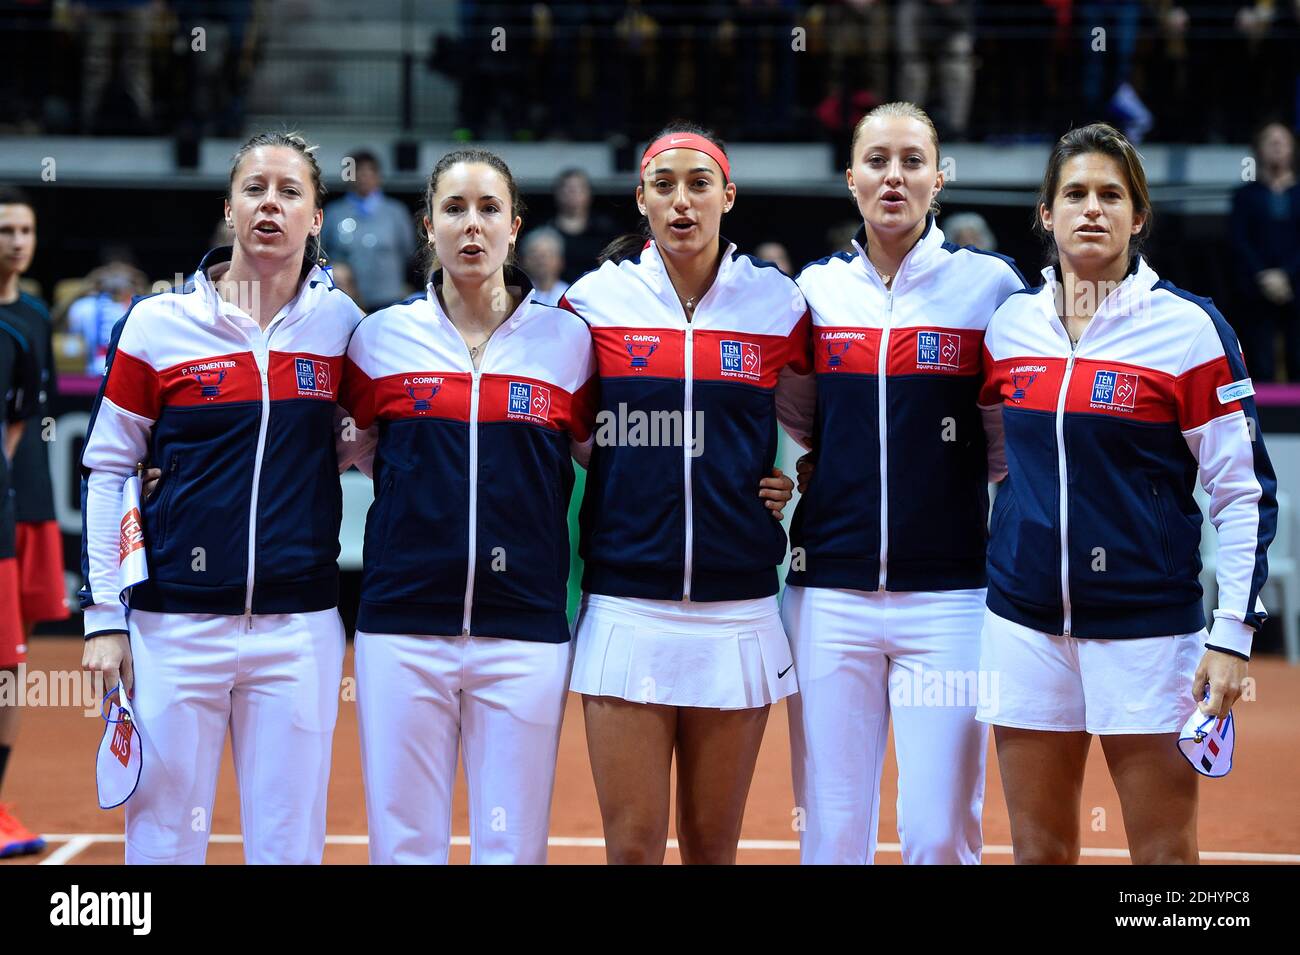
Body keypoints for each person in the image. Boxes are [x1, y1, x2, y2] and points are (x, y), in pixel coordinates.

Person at [978, 122, 1277, 864]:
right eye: (1073, 193)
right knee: (1038, 851)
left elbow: (1242, 493)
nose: (1092, 209)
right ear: (1045, 213)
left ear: (1138, 216)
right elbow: (989, 451)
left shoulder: (1189, 330)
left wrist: (1231, 633)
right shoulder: (1010, 327)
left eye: (1111, 195)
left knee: (1164, 856)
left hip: (1148, 632)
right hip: (1024, 626)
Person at [79, 131, 364, 864]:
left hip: (299, 628)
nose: (271, 203)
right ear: (230, 207)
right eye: (255, 189)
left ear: (316, 217)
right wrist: (105, 614)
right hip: (175, 627)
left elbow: (366, 447)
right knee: (165, 843)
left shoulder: (344, 331)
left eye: (290, 191)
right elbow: (110, 468)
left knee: (287, 846)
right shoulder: (157, 325)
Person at [782, 101, 1027, 865]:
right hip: (829, 594)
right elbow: (800, 416)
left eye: (913, 160)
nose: (895, 175)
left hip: (950, 598)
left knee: (939, 829)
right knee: (832, 829)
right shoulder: (812, 293)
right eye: (878, 161)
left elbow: (1002, 439)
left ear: (939, 178)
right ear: (850, 177)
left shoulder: (989, 288)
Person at [339, 148, 596, 865]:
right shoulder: (378, 340)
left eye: (489, 209)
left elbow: (617, 462)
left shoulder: (568, 343)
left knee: (512, 847)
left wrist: (749, 476)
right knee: (405, 845)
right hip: (401, 630)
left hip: (524, 632)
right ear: (428, 226)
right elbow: (322, 449)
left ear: (515, 227)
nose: (472, 225)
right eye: (454, 209)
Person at [560, 122, 806, 865]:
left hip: (737, 609)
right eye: (663, 186)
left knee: (711, 847)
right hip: (628, 604)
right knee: (632, 848)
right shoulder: (593, 303)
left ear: (727, 196)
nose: (682, 201)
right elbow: (573, 435)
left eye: (700, 184)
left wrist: (796, 476)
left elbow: (828, 418)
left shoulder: (777, 305)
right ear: (641, 199)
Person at [0, 212, 42, 857]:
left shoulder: (31, 317)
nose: (15, 242)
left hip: (11, 509)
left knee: (11, 659)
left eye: (24, 231)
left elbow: (24, 417)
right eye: (3, 229)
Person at [1230, 121, 1300, 382]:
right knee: (1260, 360)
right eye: (1270, 141)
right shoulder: (1245, 195)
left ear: (1292, 149)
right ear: (1258, 149)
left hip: (1295, 285)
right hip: (1256, 288)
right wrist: (1263, 276)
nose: (1276, 146)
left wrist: (1286, 275)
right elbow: (1238, 241)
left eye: (1282, 141)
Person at [321, 150, 415, 311]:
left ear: (378, 176)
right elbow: (323, 254)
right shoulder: (333, 212)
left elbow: (408, 253)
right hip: (344, 301)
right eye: (357, 171)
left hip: (389, 300)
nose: (363, 176)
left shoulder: (396, 212)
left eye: (369, 171)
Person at [548, 168, 616, 284]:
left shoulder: (605, 229)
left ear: (589, 193)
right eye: (567, 189)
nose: (573, 194)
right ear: (557, 193)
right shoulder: (546, 232)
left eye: (578, 189)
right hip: (556, 296)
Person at [519, 226, 569, 306]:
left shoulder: (570, 296)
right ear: (523, 260)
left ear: (560, 260)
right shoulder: (515, 296)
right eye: (534, 254)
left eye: (548, 254)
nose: (541, 260)